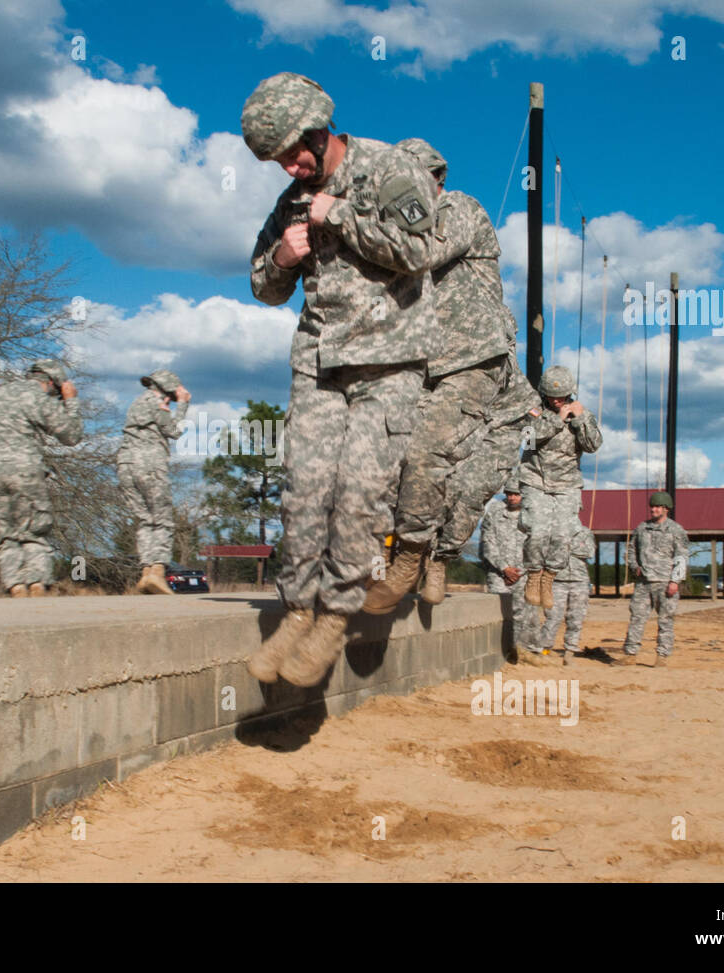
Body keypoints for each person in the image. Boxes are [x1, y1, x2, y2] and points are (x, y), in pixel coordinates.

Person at [240, 73, 440, 687]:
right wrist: (283, 258)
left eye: (294, 152)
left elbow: (420, 250)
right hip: (319, 364)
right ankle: (298, 609)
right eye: (276, 161)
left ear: (319, 129)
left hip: (389, 363)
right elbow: (262, 285)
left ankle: (335, 617)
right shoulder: (290, 202)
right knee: (303, 484)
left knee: (358, 491)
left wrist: (344, 216)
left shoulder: (389, 169)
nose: (289, 167)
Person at [363, 140, 517, 615]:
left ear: (437, 179)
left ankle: (413, 555)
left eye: (411, 178)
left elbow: (421, 251)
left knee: (428, 450)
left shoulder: (460, 209)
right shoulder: (390, 230)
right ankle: (386, 559)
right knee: (378, 457)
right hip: (420, 367)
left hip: (473, 360)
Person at [425, 355, 542, 602]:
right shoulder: (448, 365)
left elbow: (533, 424)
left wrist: (529, 454)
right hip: (452, 436)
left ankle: (440, 559)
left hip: (491, 451)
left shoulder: (515, 384)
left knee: (467, 503)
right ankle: (409, 555)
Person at [0, 360, 82, 597]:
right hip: (24, 471)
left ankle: (15, 586)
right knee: (34, 533)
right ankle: (37, 584)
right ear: (52, 383)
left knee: (5, 535)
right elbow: (71, 435)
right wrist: (71, 401)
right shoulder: (39, 397)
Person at [519, 365, 602, 611]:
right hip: (537, 480)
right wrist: (557, 420)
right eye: (553, 396)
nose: (558, 400)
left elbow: (593, 445)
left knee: (563, 535)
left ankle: (549, 578)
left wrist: (581, 419)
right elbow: (527, 438)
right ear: (544, 393)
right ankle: (534, 575)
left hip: (567, 484)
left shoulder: (580, 413)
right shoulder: (532, 411)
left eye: (563, 396)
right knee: (538, 531)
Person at [117, 368, 189, 595]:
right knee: (163, 519)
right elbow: (174, 430)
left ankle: (147, 572)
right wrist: (184, 405)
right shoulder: (157, 402)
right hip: (149, 465)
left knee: (146, 520)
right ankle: (157, 571)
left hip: (126, 465)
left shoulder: (137, 402)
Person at [617, 491, 689, 667]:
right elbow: (631, 550)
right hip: (643, 583)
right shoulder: (642, 528)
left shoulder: (676, 530)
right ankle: (630, 654)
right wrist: (635, 567)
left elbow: (681, 557)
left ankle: (662, 657)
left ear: (666, 509)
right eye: (652, 507)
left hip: (665, 583)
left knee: (665, 619)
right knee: (637, 618)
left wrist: (675, 581)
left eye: (657, 507)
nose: (653, 510)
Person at [479, 479, 546, 663]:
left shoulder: (533, 514)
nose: (512, 497)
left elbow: (538, 545)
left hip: (524, 573)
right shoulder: (494, 512)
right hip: (498, 573)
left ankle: (525, 652)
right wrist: (504, 568)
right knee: (499, 613)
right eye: (509, 493)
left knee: (526, 614)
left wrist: (521, 571)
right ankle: (498, 652)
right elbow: (488, 542)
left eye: (516, 494)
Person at [534, 525, 596, 665]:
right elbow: (544, 553)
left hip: (579, 581)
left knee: (576, 617)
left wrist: (565, 547)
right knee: (552, 616)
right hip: (557, 580)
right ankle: (544, 649)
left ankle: (569, 652)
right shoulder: (552, 532)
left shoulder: (585, 532)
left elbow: (589, 551)